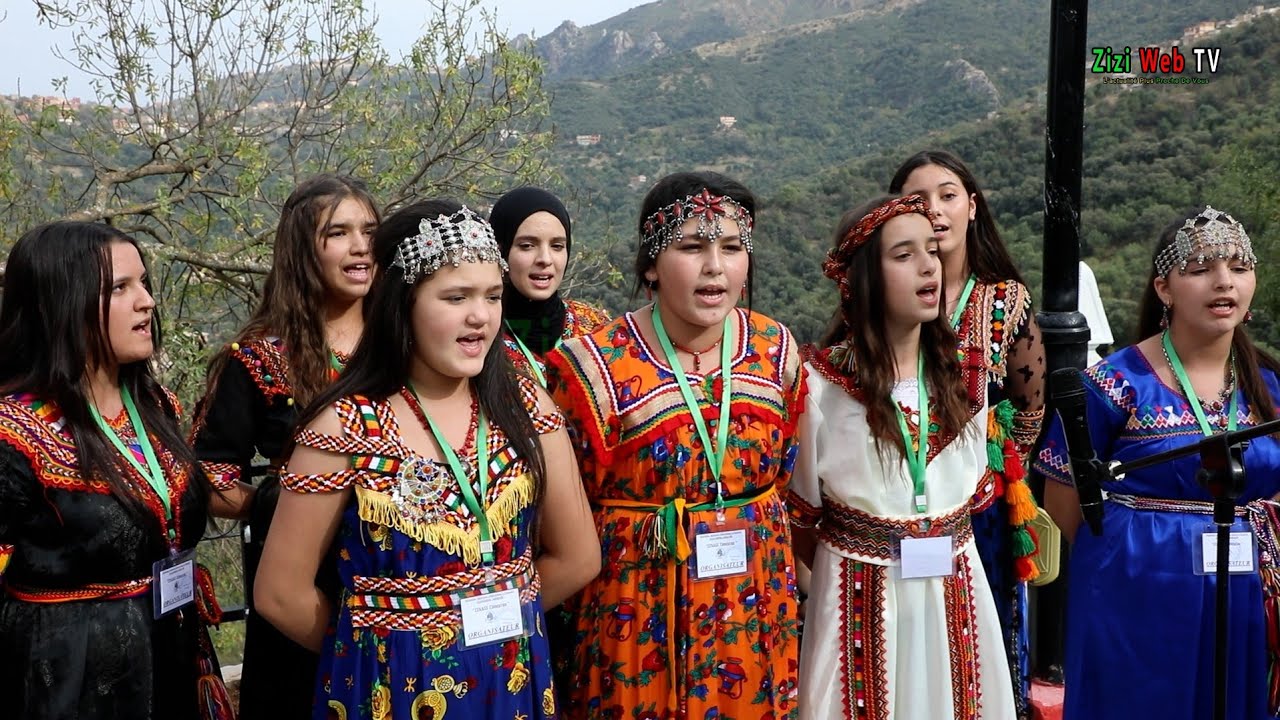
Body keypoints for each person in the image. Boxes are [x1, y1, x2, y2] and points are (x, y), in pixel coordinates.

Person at [253, 200, 600, 719]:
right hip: (389, 688)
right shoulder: (343, 427)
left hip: (511, 681)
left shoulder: (527, 407)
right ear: (402, 303)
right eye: (455, 297)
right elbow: (280, 594)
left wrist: (492, 618)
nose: (480, 316)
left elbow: (578, 558)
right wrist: (382, 643)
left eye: (492, 295)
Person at [546, 171, 808, 719]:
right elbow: (563, 507)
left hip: (753, 597)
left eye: (732, 247)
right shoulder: (593, 365)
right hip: (636, 608)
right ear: (649, 265)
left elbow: (786, 467)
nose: (715, 265)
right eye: (692, 246)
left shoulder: (775, 347)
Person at [1035, 207, 1280, 719]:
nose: (1224, 282)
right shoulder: (1113, 384)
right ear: (1164, 288)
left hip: (1244, 591)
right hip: (1134, 592)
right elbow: (1063, 506)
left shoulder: (1270, 385)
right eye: (1201, 269)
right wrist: (1130, 563)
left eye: (1238, 267)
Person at [0, 222, 243, 719]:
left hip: (173, 654)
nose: (147, 301)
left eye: (144, 283)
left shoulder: (155, 406)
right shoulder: (13, 432)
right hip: (72, 682)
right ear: (60, 303)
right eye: (119, 288)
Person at [790, 194, 1016, 720]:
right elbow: (799, 517)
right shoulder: (820, 386)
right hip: (857, 599)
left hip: (954, 595)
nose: (927, 266)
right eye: (903, 254)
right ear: (864, 276)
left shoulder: (968, 377)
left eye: (933, 251)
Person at [191, 173, 379, 719]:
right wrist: (288, 503)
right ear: (302, 249)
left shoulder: (407, 345)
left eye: (368, 230)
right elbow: (206, 477)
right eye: (338, 233)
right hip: (306, 585)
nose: (360, 245)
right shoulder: (256, 360)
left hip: (401, 569)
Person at [890, 150, 1044, 715]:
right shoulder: (876, 301)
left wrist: (984, 474)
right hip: (892, 510)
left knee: (981, 647)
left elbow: (1030, 411)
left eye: (948, 195)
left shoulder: (1004, 301)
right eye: (917, 199)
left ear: (972, 206)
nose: (934, 210)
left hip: (981, 510)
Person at [489, 186, 611, 387]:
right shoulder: (481, 336)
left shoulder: (596, 327)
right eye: (527, 245)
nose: (545, 259)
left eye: (557, 246)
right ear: (501, 250)